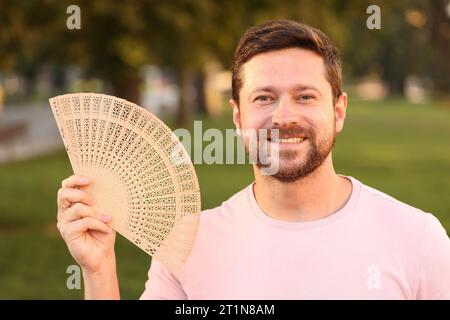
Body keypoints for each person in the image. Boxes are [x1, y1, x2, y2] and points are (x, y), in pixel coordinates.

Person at [56, 19, 450, 299]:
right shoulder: (189, 245)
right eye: (264, 97)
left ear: (339, 110)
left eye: (305, 96)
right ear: (238, 115)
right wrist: (99, 267)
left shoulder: (417, 238)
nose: (284, 117)